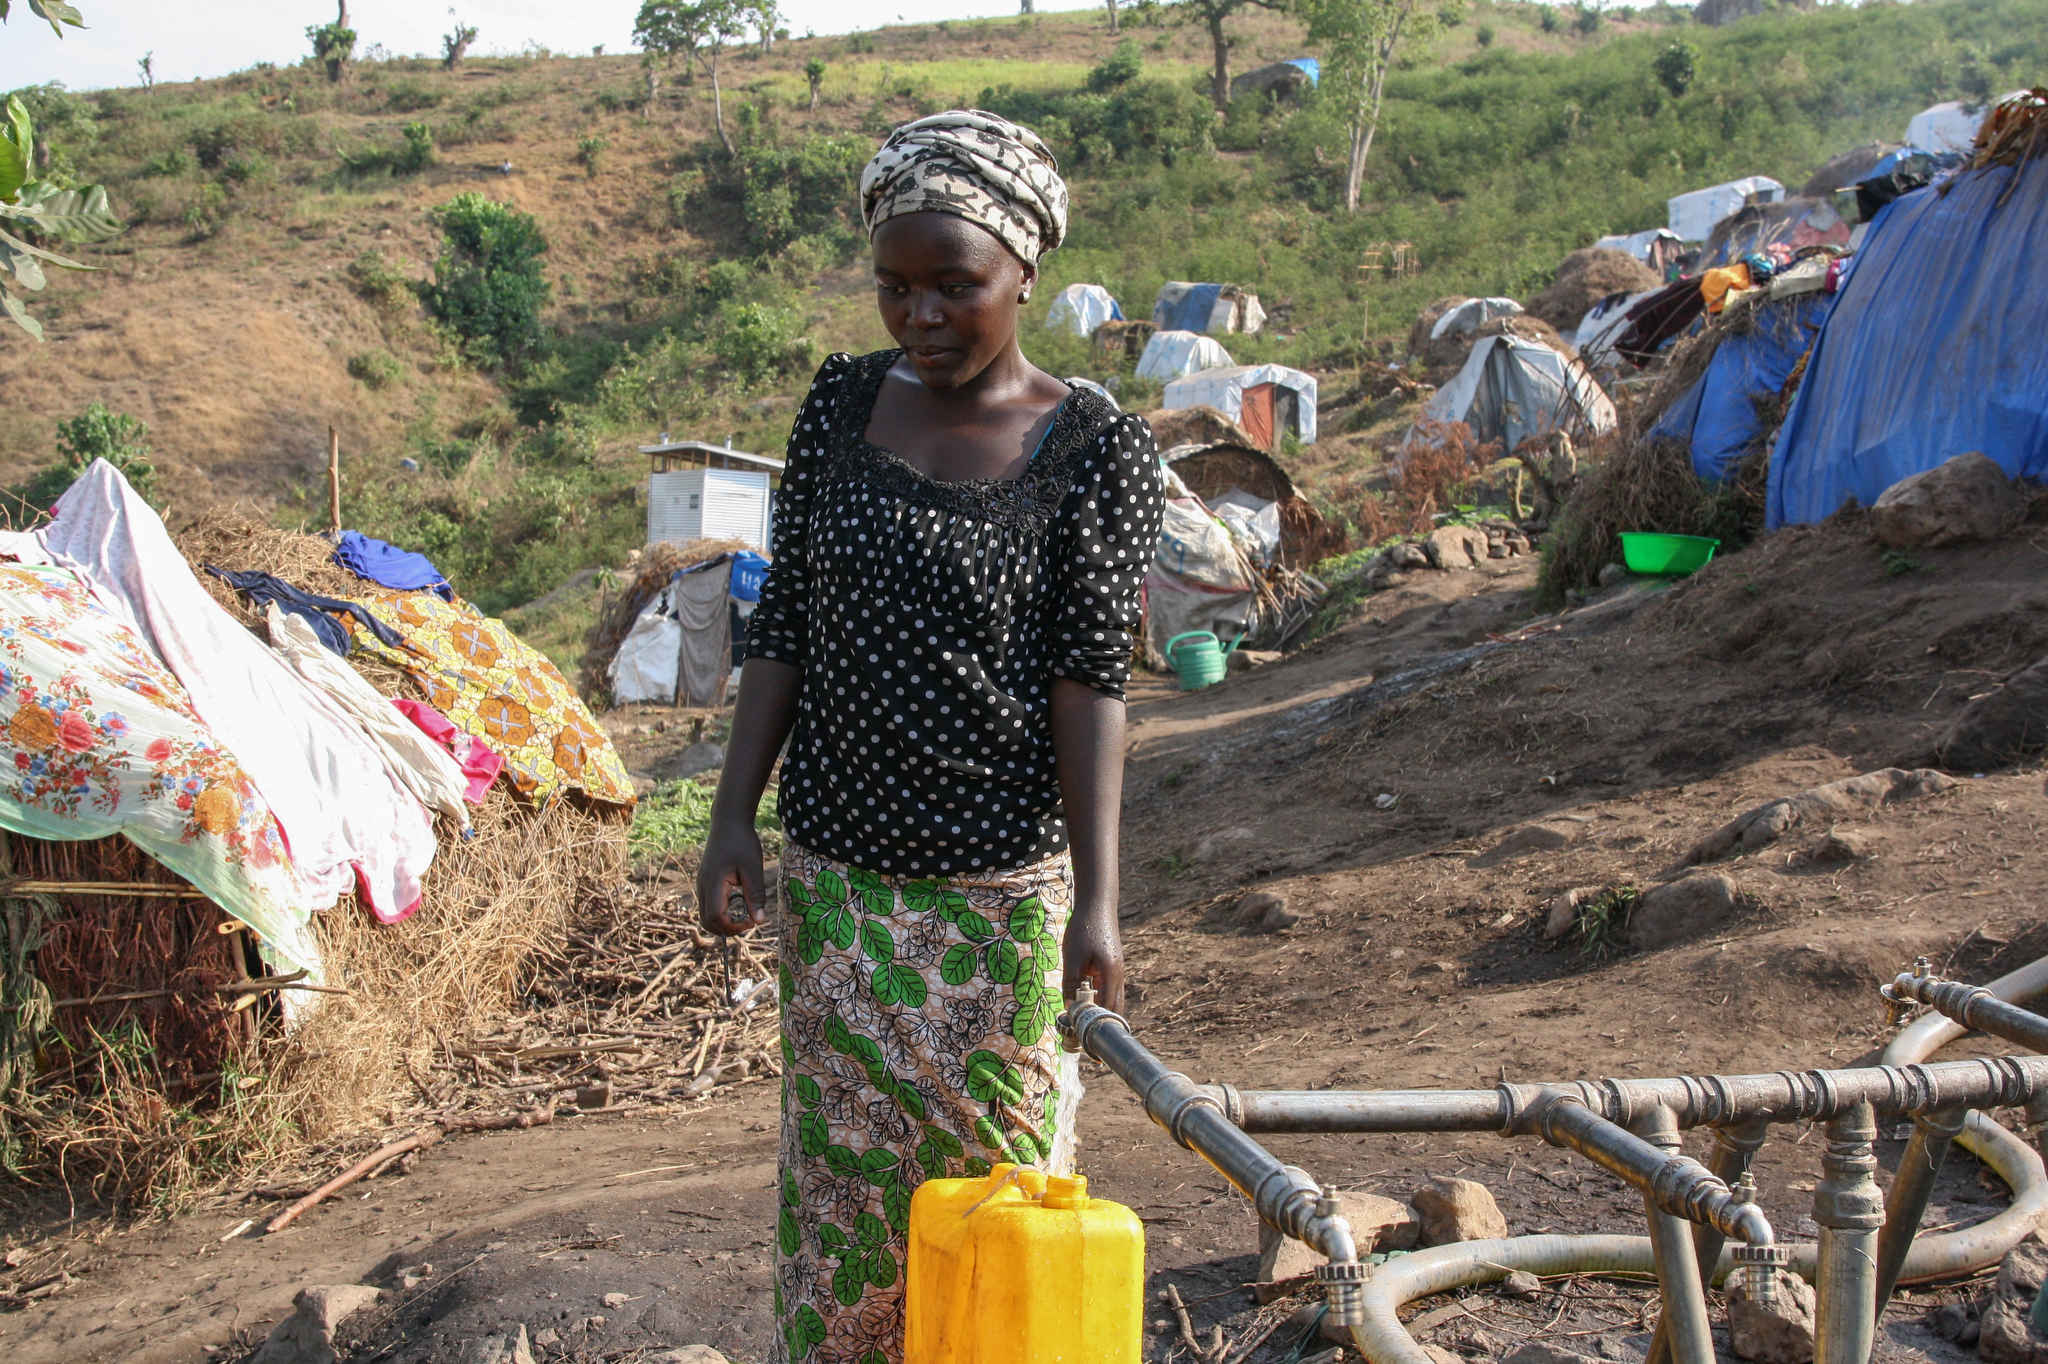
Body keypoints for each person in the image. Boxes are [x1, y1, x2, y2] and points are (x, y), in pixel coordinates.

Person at [696, 110, 1164, 1364]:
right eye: (895, 287)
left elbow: (1088, 684)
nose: (922, 316)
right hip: (837, 890)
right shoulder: (841, 405)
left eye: (954, 284)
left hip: (999, 904)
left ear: (1024, 269)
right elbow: (782, 619)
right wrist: (734, 812)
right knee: (845, 1212)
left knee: (1005, 1212)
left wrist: (1098, 904)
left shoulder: (1095, 447)